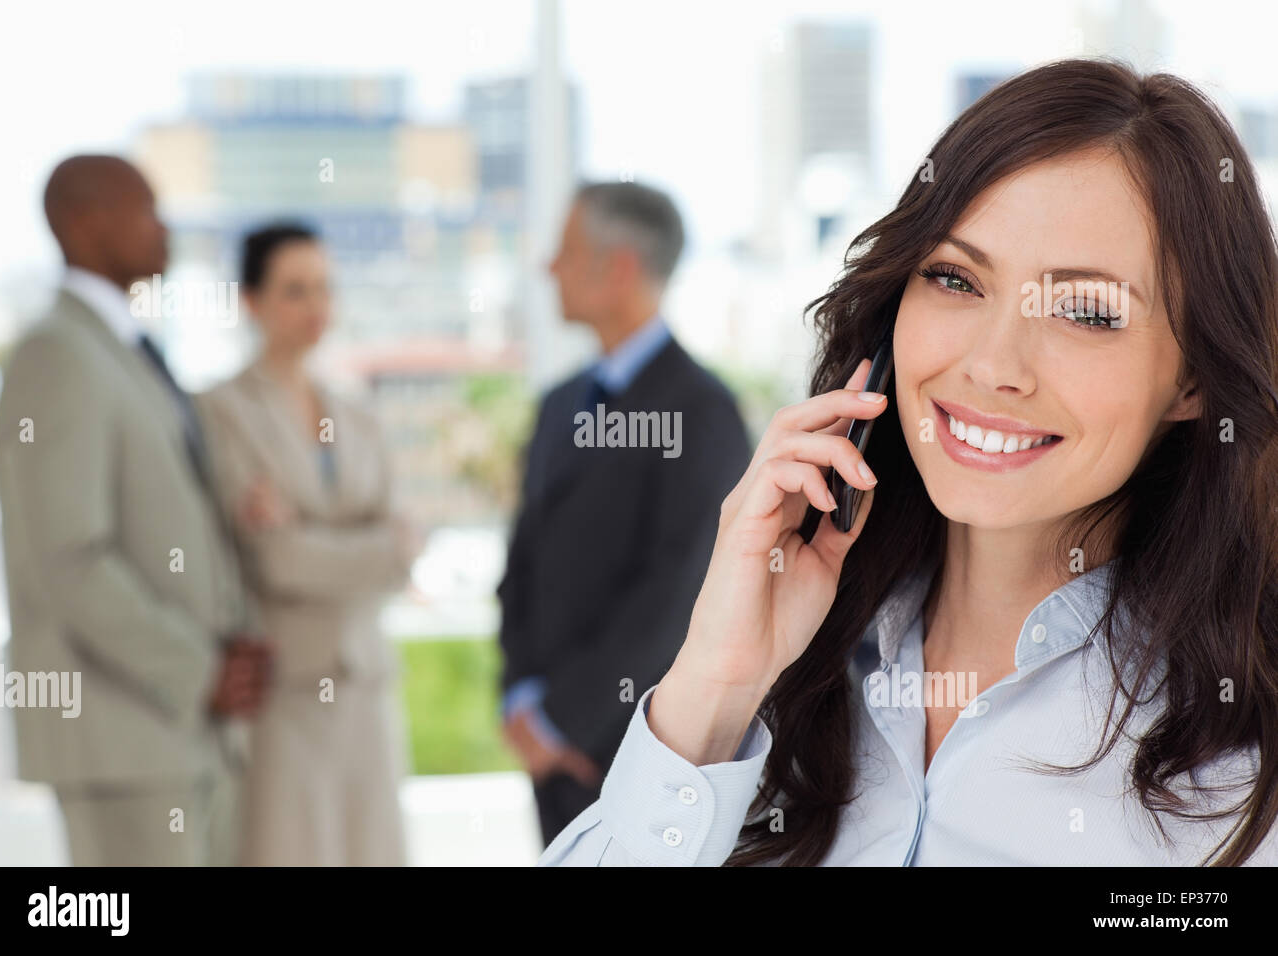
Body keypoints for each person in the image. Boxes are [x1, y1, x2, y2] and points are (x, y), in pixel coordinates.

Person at [540, 58, 1278, 866]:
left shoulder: (1240, 761)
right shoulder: (794, 675)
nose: (995, 365)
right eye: (956, 280)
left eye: (1084, 311)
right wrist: (717, 685)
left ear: (1195, 380)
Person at [0, 155, 268, 866]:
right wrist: (197, 666)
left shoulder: (122, 348)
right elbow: (69, 558)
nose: (163, 230)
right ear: (82, 222)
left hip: (175, 735)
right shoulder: (55, 355)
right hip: (120, 739)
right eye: (146, 211)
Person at [498, 181, 752, 846]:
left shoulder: (703, 410)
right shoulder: (559, 404)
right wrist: (520, 700)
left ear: (617, 268)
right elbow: (522, 560)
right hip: (551, 749)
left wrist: (566, 723)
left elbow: (683, 586)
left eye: (565, 250)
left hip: (636, 751)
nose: (548, 267)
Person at [195, 223, 417, 866]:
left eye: (324, 287)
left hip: (367, 687)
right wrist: (372, 547)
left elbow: (401, 553)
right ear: (252, 301)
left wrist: (314, 536)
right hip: (283, 696)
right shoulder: (220, 410)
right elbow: (276, 561)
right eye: (295, 290)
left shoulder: (357, 413)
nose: (316, 305)